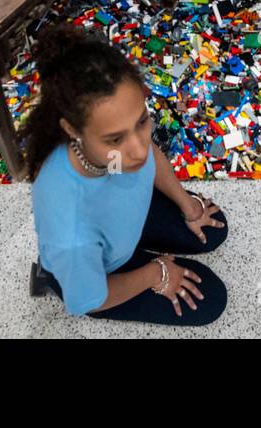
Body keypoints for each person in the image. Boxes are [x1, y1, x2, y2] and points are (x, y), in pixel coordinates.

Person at [21, 22, 229, 326]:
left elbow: (150, 158)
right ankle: (51, 276)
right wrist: (155, 273)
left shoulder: (114, 151)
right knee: (210, 299)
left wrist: (185, 203)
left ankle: (124, 250)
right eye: (116, 139)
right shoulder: (71, 231)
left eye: (142, 121)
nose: (139, 149)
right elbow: (91, 299)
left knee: (214, 228)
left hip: (123, 218)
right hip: (100, 269)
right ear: (72, 130)